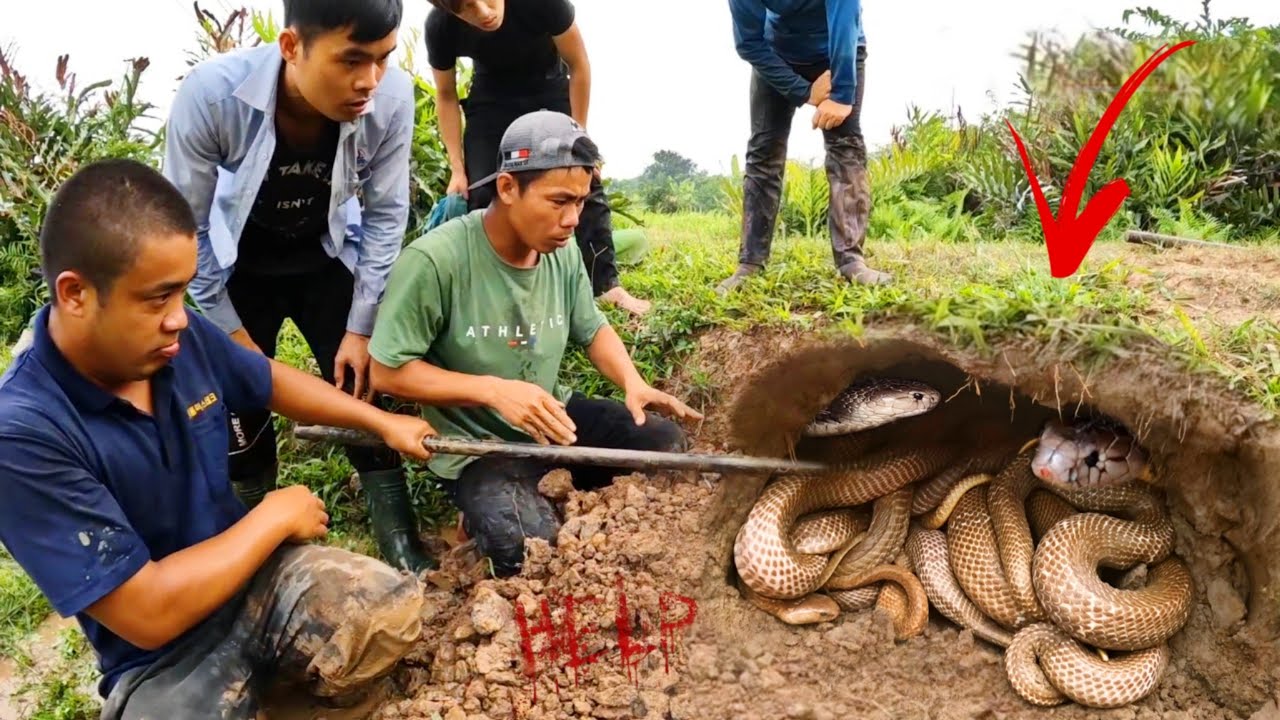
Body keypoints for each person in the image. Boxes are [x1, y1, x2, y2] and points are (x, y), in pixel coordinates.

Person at [0, 159, 437, 719]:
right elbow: (146, 612)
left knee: (381, 610)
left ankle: (277, 699)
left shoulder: (174, 343)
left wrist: (379, 422)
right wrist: (274, 516)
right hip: (161, 658)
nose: (179, 319)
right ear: (76, 293)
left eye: (182, 294)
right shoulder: (25, 432)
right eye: (158, 299)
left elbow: (267, 379)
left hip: (254, 584)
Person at [368, 111, 703, 577]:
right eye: (558, 201)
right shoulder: (435, 261)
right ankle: (494, 512)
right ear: (508, 188)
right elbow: (387, 371)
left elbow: (592, 328)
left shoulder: (562, 253)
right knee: (527, 549)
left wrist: (633, 381)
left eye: (581, 203)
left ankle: (559, 498)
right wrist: (493, 390)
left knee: (664, 447)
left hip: (553, 422)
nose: (572, 221)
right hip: (479, 447)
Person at [162, 0, 434, 572]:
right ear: (292, 47)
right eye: (352, 61)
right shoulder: (213, 97)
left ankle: (399, 538)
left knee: (361, 390)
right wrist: (229, 330)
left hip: (324, 259)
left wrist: (362, 326)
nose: (369, 81)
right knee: (237, 406)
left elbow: (386, 214)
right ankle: (258, 542)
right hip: (236, 272)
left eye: (383, 59)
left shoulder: (391, 97)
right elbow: (185, 228)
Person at [423, 0, 653, 316]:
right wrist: (457, 169)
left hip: (547, 85)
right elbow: (446, 96)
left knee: (580, 176)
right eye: (467, 9)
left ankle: (606, 287)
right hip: (491, 97)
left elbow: (579, 64)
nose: (484, 13)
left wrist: (579, 135)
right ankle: (504, 294)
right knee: (482, 194)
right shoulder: (440, 26)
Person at [717, 0, 893, 294]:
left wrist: (842, 93)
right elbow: (749, 42)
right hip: (777, 54)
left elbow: (845, 18)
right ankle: (750, 264)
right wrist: (804, 91)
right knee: (763, 153)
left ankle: (851, 262)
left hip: (839, 51)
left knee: (845, 149)